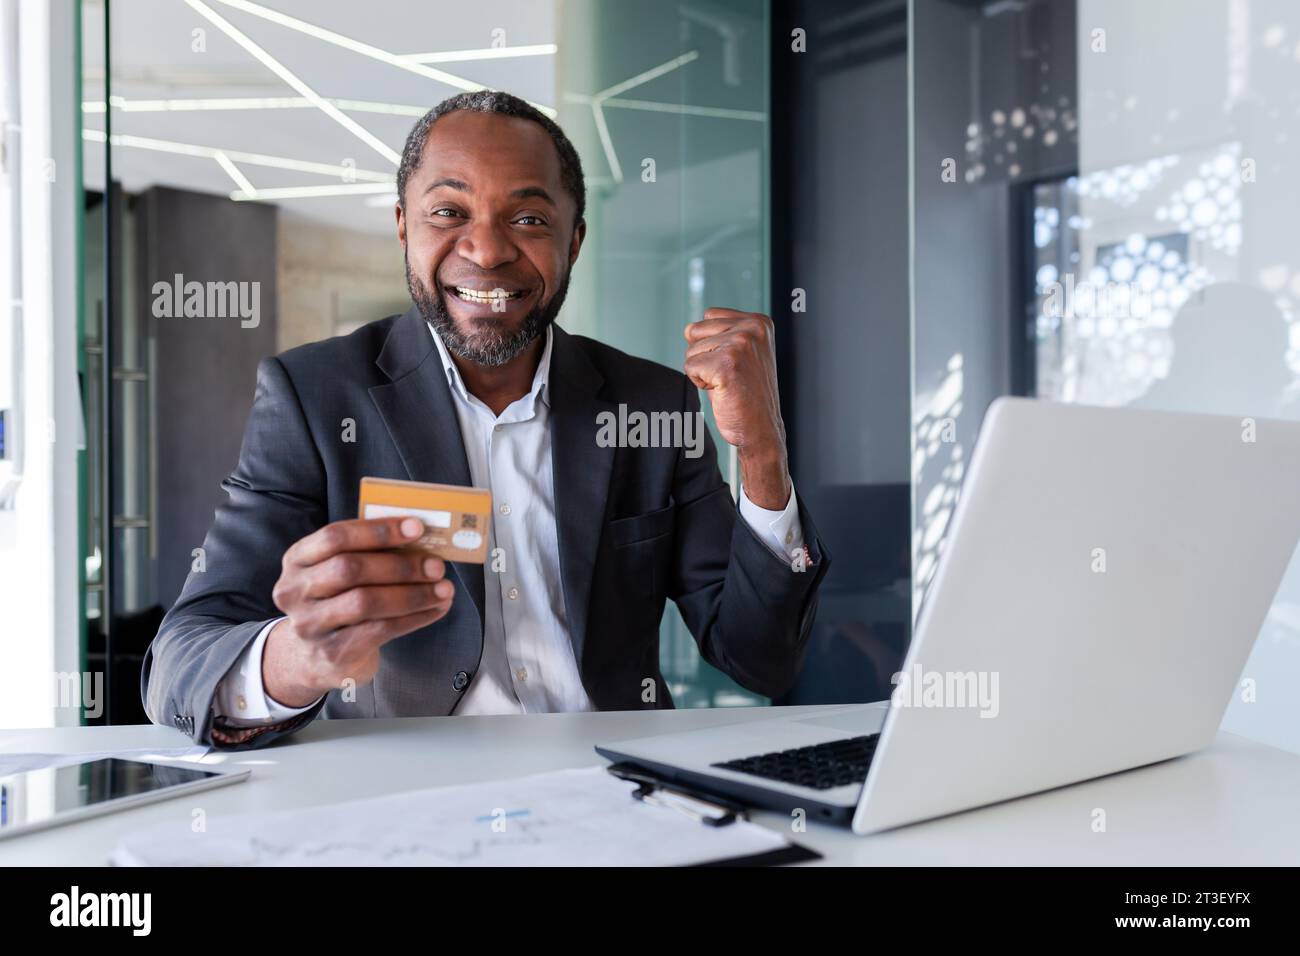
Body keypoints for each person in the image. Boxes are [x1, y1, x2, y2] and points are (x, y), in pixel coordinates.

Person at [141, 90, 829, 750]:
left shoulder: (650, 403)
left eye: (528, 218)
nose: (489, 249)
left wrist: (762, 454)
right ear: (403, 227)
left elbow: (761, 659)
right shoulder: (314, 396)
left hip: (615, 793)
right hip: (406, 800)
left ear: (575, 241)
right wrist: (296, 659)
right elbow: (180, 662)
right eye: (448, 212)